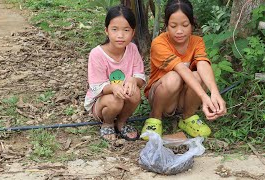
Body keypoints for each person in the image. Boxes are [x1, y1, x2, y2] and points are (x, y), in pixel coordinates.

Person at [141, 0, 226, 140]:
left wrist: (215, 93)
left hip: (183, 99)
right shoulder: (159, 43)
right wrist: (205, 97)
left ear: (192, 24)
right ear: (167, 25)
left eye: (185, 25)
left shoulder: (197, 41)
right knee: (174, 77)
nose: (179, 31)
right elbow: (180, 68)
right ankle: (155, 118)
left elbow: (203, 63)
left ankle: (188, 117)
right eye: (173, 26)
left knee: (199, 75)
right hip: (162, 96)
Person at [84, 5, 146, 141]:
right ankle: (107, 122)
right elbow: (96, 86)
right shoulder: (97, 54)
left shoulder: (132, 49)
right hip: (102, 103)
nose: (120, 35)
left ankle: (122, 121)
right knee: (114, 100)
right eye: (114, 29)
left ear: (133, 32)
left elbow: (140, 78)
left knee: (135, 93)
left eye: (126, 30)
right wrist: (112, 87)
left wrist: (133, 80)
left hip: (125, 98)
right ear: (106, 31)